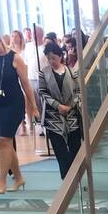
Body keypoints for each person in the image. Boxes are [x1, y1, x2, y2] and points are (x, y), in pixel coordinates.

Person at [0, 29, 36, 194]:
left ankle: (2, 181)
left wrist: (33, 106)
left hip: (13, 104)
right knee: (5, 141)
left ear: (0, 40)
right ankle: (18, 178)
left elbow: (26, 84)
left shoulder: (15, 57)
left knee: (5, 139)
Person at [36, 40, 81, 179]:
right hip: (53, 117)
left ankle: (75, 175)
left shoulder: (71, 71)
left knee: (75, 148)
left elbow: (79, 91)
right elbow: (42, 92)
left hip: (71, 115)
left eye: (53, 58)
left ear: (60, 56)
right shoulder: (43, 73)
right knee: (60, 151)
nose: (51, 61)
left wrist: (71, 105)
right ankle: (66, 177)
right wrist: (57, 105)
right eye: (48, 58)